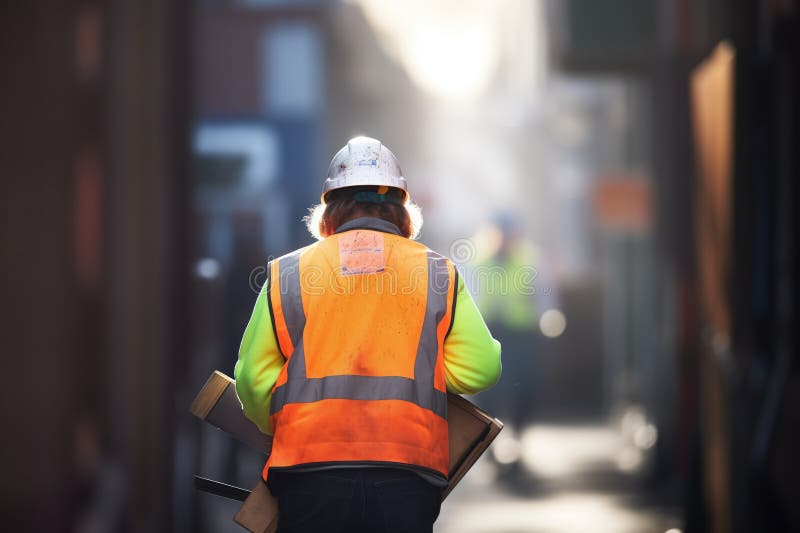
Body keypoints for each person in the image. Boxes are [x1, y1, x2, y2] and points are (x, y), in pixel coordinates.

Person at [234, 136, 501, 533]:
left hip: (308, 476)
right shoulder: (436, 272)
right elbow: (481, 368)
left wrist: (287, 423)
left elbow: (252, 383)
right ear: (401, 211)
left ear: (329, 211)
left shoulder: (286, 275)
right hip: (407, 476)